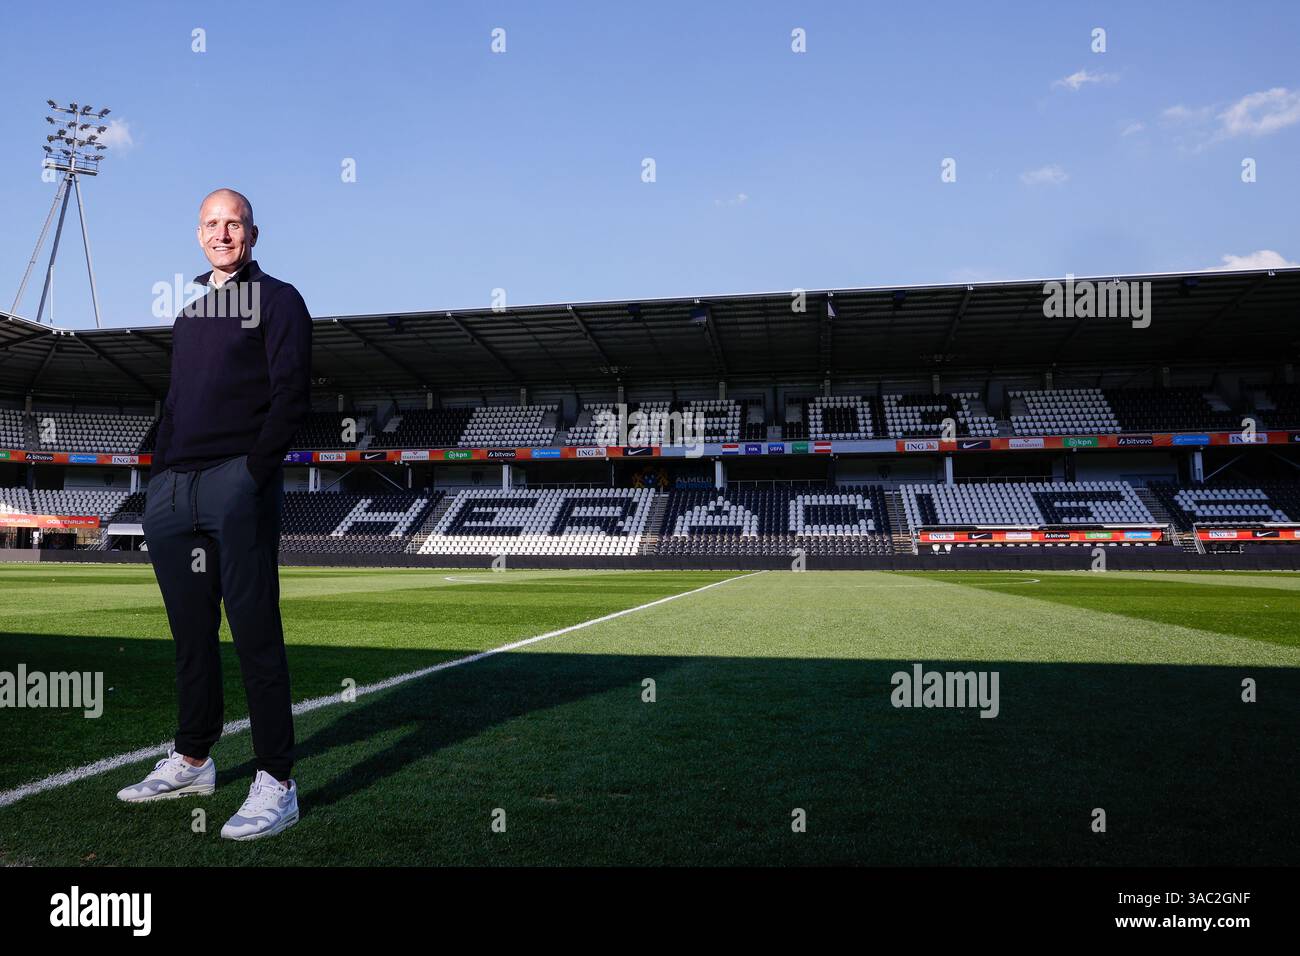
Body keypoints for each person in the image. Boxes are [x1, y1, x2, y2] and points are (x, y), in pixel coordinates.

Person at [118, 188, 312, 841]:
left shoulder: (280, 300)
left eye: (233, 223)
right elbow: (175, 402)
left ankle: (277, 782)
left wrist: (251, 473)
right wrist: (159, 475)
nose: (222, 234)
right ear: (198, 234)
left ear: (252, 232)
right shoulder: (190, 313)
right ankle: (193, 758)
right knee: (191, 635)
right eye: (211, 224)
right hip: (175, 490)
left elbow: (292, 393)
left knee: (256, 633)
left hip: (236, 482)